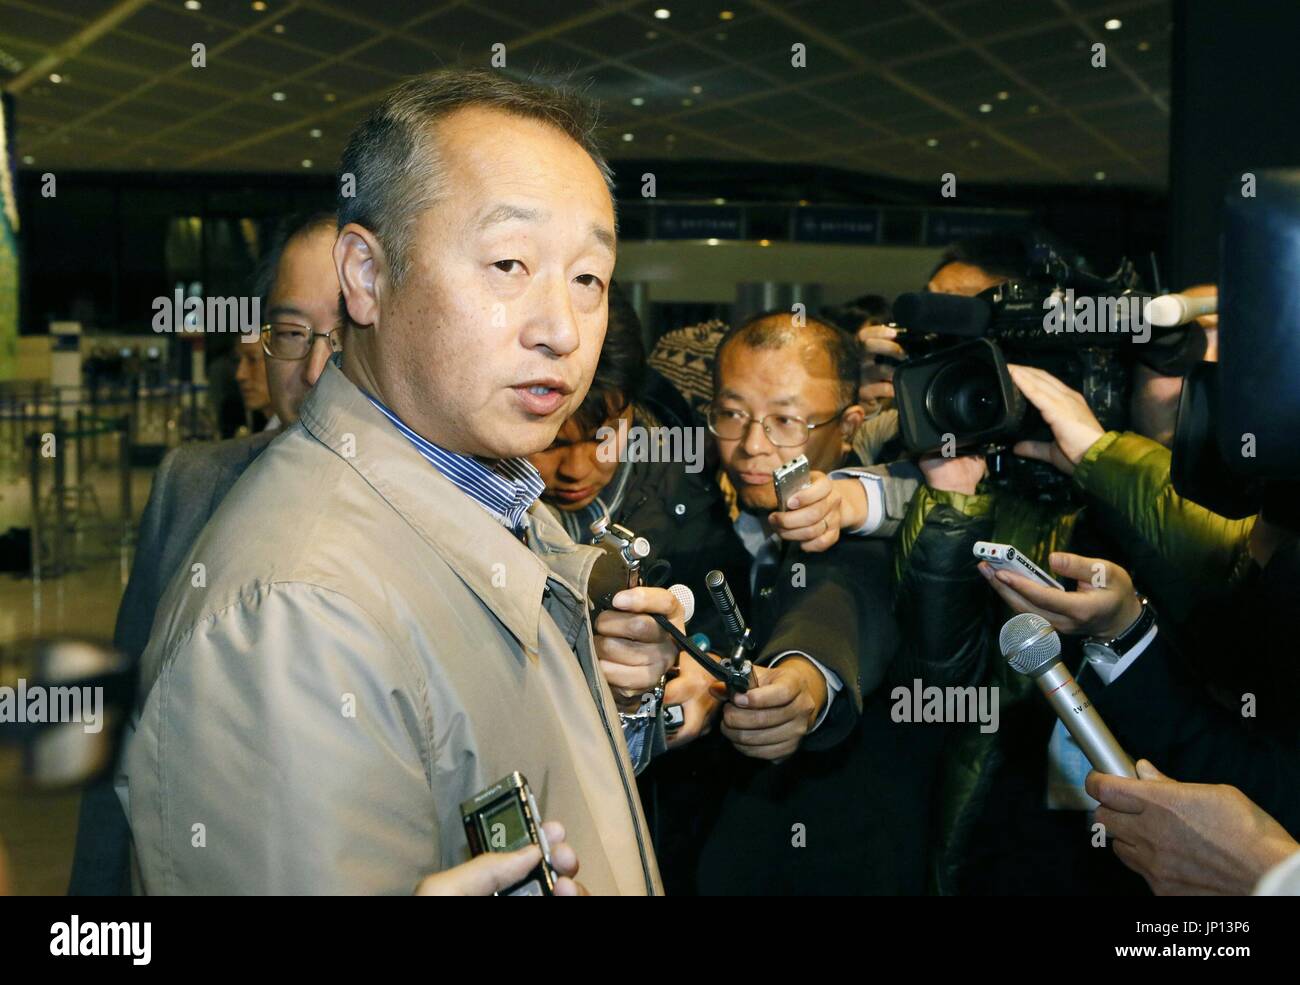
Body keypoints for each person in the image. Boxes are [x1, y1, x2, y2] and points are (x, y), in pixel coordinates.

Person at [119, 69, 684, 895]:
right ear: (367, 275)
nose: (562, 329)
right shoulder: (295, 618)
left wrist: (620, 705)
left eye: (589, 278)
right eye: (508, 261)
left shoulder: (496, 494)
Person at [67, 209, 342, 896]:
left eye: (342, 336)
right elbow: (119, 725)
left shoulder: (457, 517)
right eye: (289, 333)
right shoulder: (190, 486)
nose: (311, 368)